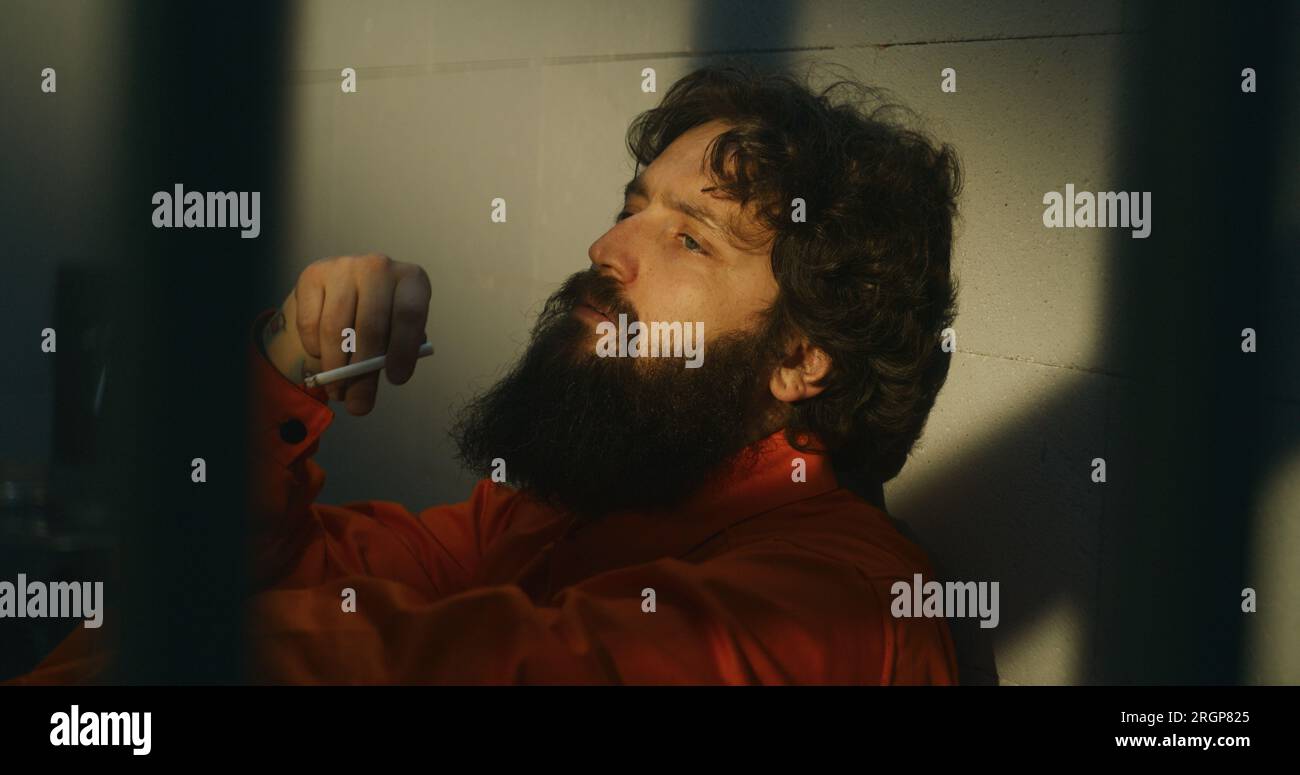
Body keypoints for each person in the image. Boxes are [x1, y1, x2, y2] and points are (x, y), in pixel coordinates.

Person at [14, 61, 962, 684]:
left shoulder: (839, 599)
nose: (605, 245)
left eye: (689, 236)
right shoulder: (562, 509)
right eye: (630, 206)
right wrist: (286, 367)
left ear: (802, 358)